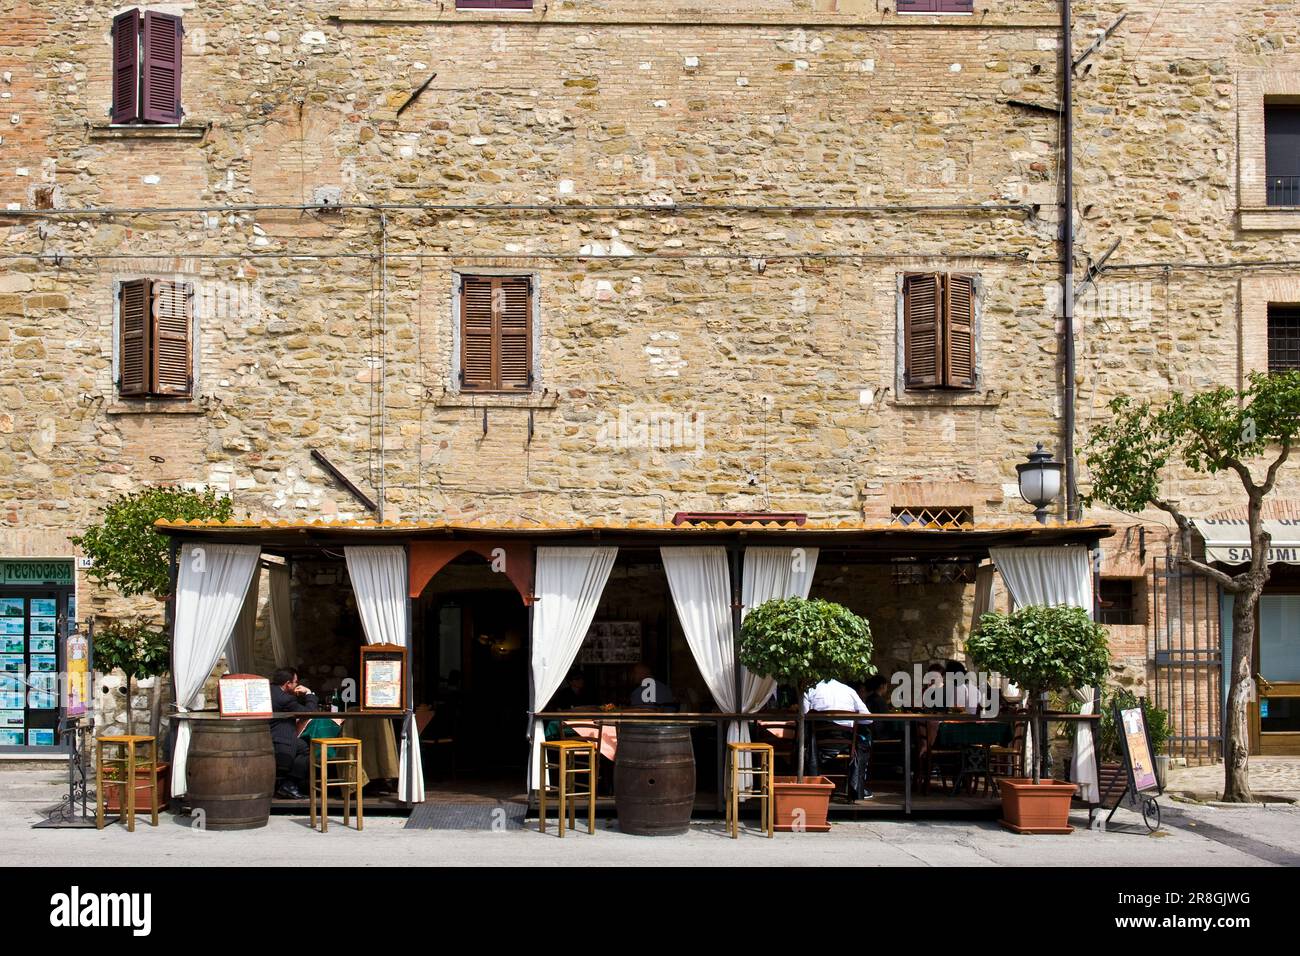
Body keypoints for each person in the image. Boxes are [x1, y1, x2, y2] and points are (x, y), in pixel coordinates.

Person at [802, 678, 873, 800]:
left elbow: (803, 716)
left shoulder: (810, 690)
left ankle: (810, 784)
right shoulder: (849, 691)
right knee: (864, 739)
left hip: (818, 743)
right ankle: (857, 787)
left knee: (804, 741)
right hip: (845, 745)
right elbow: (868, 719)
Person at [270, 668, 317, 799]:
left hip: (265, 735)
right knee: (307, 748)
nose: (297, 685)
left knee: (302, 744)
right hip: (279, 739)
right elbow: (310, 712)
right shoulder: (285, 699)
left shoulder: (270, 690)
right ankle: (289, 784)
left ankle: (287, 784)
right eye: (295, 682)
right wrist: (309, 693)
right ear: (287, 684)